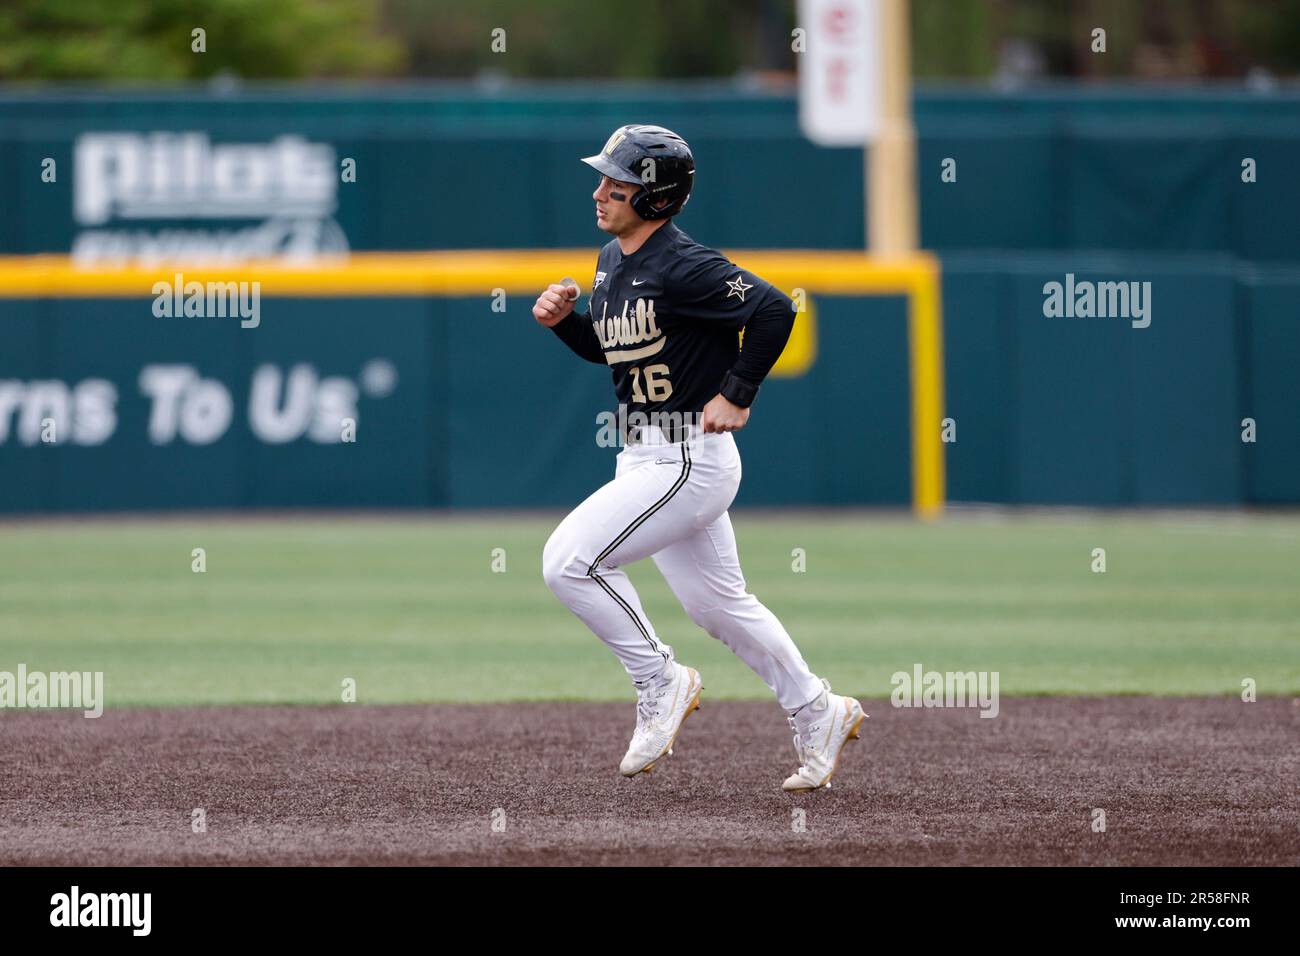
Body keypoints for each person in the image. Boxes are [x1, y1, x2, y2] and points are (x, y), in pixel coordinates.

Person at [533, 124, 864, 792]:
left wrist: (738, 391)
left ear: (654, 198)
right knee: (718, 606)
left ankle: (660, 679)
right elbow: (616, 349)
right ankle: (818, 709)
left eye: (617, 183)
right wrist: (567, 325)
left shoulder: (686, 263)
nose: (600, 191)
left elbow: (774, 308)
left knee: (568, 563)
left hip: (686, 457)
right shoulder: (612, 259)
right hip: (645, 457)